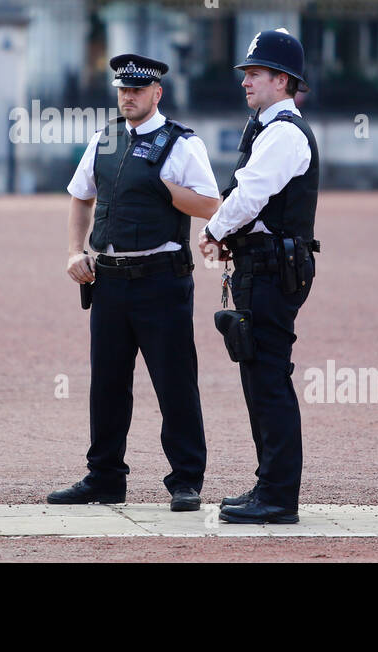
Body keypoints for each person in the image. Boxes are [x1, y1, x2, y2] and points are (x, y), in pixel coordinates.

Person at [52, 53, 221, 512]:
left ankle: (186, 480)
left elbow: (212, 204)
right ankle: (104, 477)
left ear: (157, 93)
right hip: (107, 279)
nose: (129, 96)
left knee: (174, 383)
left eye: (138, 90)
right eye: (123, 89)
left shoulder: (182, 144)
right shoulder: (104, 139)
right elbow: (80, 196)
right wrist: (74, 251)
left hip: (161, 281)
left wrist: (167, 191)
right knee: (106, 384)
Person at [198, 28, 321, 525]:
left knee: (269, 379)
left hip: (273, 267)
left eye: (255, 73)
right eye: (246, 73)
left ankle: (277, 495)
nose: (246, 81)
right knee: (261, 377)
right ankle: (268, 486)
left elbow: (249, 194)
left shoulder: (285, 133)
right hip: (263, 264)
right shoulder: (268, 128)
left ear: (282, 80)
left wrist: (213, 230)